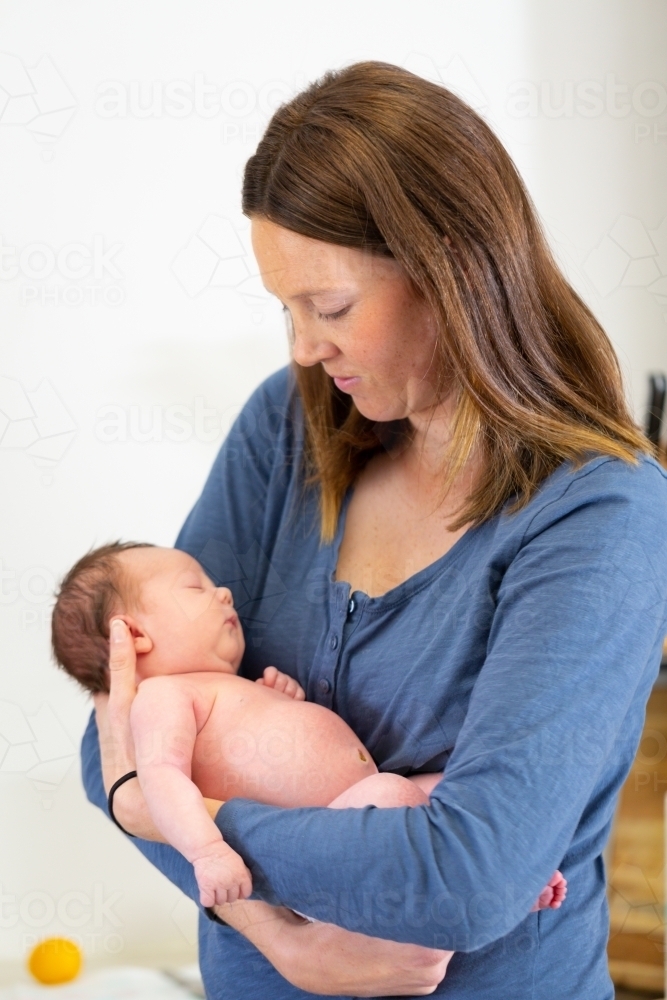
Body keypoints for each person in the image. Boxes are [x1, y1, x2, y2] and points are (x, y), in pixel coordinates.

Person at [80, 61, 667, 999]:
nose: (306, 346)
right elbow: (117, 703)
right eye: (287, 309)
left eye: (331, 306)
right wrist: (274, 932)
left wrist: (171, 807)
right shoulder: (288, 427)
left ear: (449, 267)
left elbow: (464, 879)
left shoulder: (602, 515)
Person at [53, 541, 566, 920]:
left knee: (448, 791)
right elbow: (162, 781)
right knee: (395, 797)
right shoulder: (162, 699)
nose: (224, 592)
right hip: (327, 847)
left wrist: (280, 701)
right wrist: (206, 852)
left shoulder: (223, 685)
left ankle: (507, 874)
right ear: (133, 635)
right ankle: (488, 891)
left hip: (363, 801)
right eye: (196, 588)